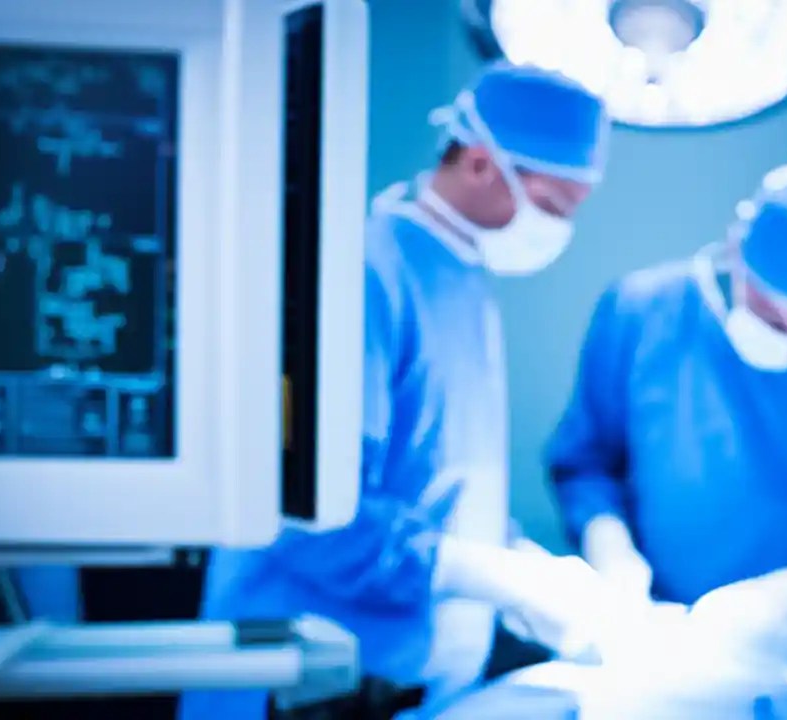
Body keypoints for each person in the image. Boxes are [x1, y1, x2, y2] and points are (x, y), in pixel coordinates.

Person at [179, 63, 626, 720]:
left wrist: (521, 564)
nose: (558, 228)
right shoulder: (361, 274)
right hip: (300, 689)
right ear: (479, 163)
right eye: (552, 205)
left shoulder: (464, 280)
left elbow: (439, 483)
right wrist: (494, 577)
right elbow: (309, 516)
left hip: (404, 687)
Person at [546, 147, 787, 716]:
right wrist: (610, 546)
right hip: (655, 631)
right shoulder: (640, 311)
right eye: (770, 313)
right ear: (738, 247)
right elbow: (587, 463)